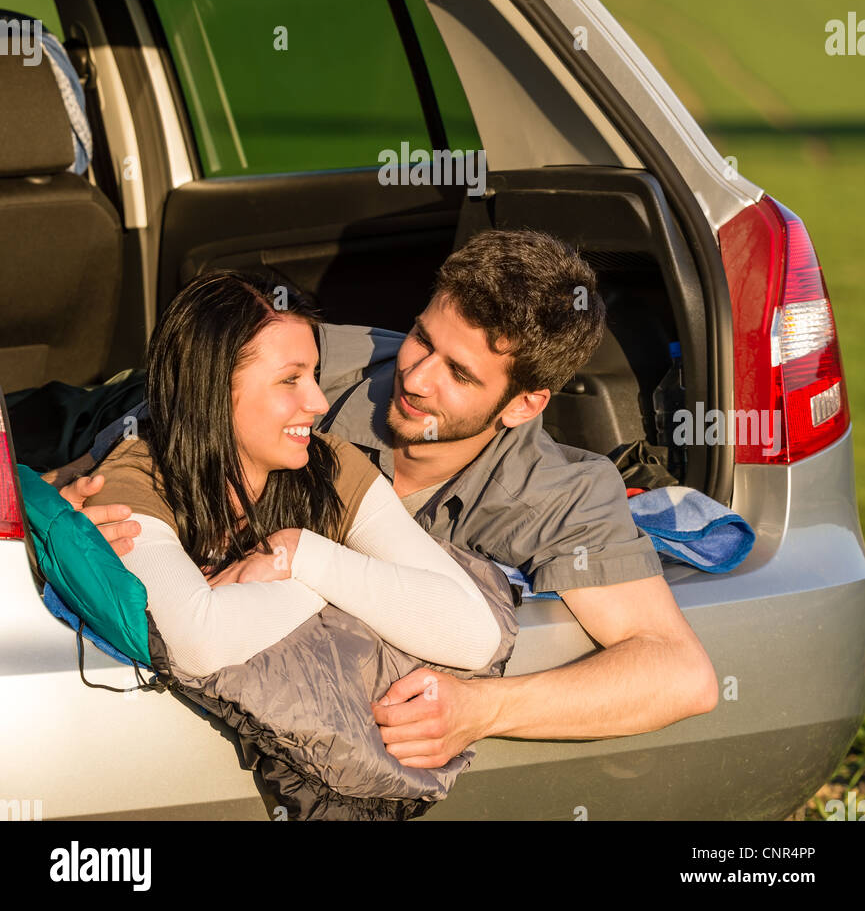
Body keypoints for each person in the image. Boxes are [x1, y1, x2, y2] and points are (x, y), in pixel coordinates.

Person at [58, 228, 719, 763]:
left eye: (458, 372)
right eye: (422, 338)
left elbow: (678, 673)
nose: (417, 375)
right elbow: (162, 422)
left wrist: (482, 710)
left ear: (524, 404)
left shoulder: (561, 496)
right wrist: (62, 491)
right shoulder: (326, 367)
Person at [60, 268, 502, 681]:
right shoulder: (134, 480)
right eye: (290, 380)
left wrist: (298, 556)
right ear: (210, 389)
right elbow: (197, 645)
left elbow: (474, 635)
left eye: (314, 375)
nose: (318, 403)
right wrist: (350, 592)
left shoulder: (331, 466)